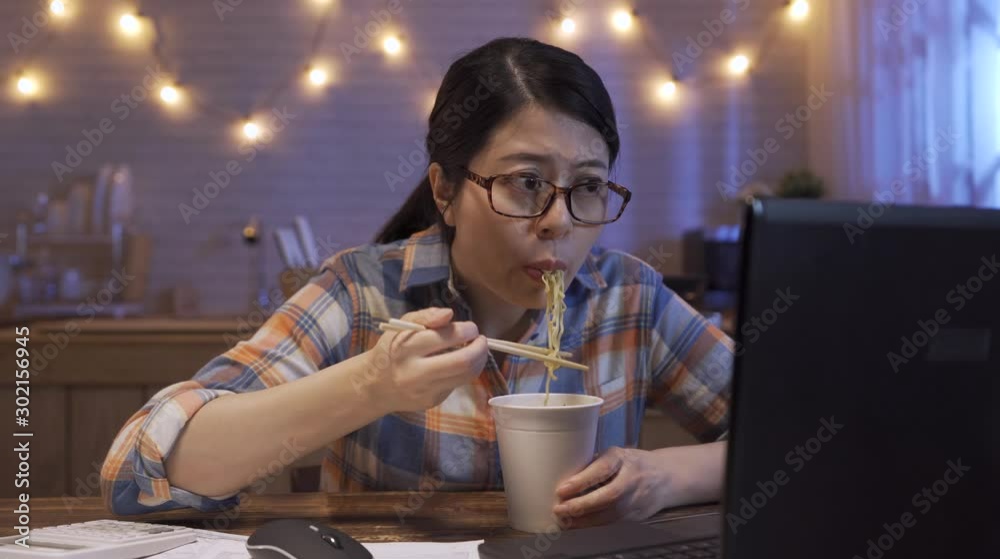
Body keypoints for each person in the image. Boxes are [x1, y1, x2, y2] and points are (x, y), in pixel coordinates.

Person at [101, 37, 733, 527]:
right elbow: (138, 469)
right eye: (527, 183)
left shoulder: (629, 298)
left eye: (588, 187)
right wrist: (370, 384)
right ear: (446, 191)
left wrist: (667, 478)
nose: (558, 223)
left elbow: (809, 430)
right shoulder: (362, 292)